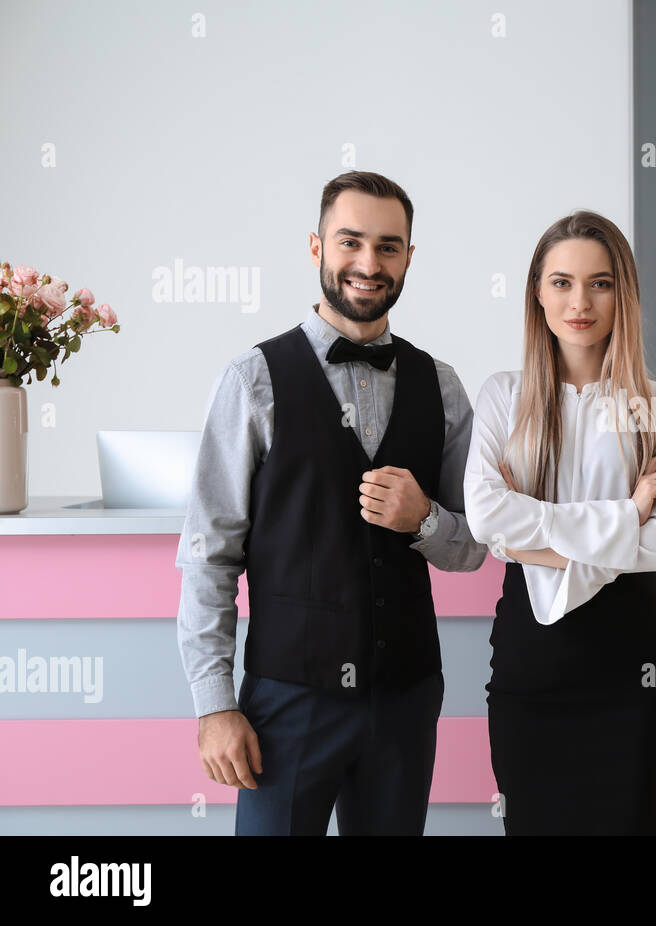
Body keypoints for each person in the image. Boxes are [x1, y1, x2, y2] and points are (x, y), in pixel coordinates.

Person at [175, 171, 487, 835]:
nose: (368, 264)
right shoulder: (252, 380)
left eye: (388, 246)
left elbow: (472, 548)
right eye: (350, 242)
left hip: (405, 697)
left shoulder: (445, 388)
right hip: (285, 702)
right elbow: (209, 554)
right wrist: (213, 706)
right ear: (316, 248)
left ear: (408, 257)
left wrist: (424, 519)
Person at [463, 210, 656, 835]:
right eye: (561, 282)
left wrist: (530, 541)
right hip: (531, 663)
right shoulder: (502, 398)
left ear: (624, 293)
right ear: (537, 294)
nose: (580, 301)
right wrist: (629, 512)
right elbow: (486, 519)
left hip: (633, 666)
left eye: (600, 283)